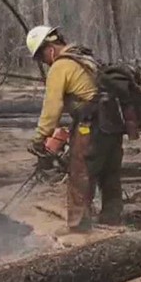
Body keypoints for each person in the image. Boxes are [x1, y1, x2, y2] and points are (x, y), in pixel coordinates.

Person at [25, 25, 125, 234]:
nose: (44, 62)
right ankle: (112, 220)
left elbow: (52, 109)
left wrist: (39, 138)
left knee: (80, 172)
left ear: (50, 48)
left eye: (42, 56)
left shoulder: (60, 67)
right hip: (113, 123)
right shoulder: (86, 59)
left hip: (92, 125)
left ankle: (78, 227)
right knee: (110, 173)